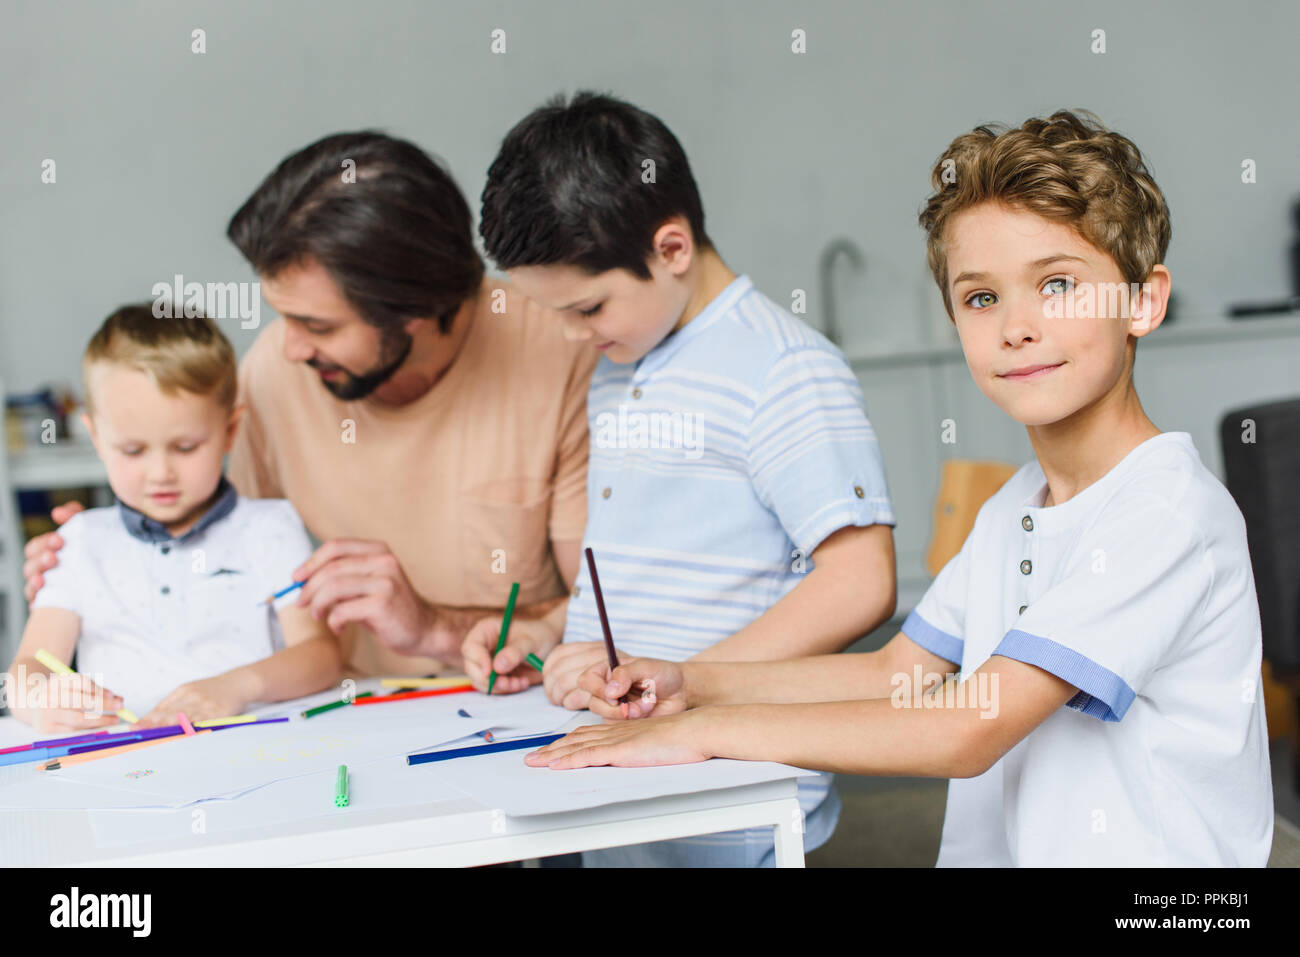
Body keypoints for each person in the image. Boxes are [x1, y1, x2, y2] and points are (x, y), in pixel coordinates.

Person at [531, 110, 1275, 867]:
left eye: (1057, 285)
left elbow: (965, 727)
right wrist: (690, 682)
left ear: (1143, 302)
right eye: (981, 298)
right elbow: (895, 673)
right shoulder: (1012, 510)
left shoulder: (1164, 511)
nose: (1015, 326)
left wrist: (692, 731)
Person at [468, 92, 899, 867]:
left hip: (733, 797)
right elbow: (661, 562)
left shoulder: (782, 368)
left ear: (671, 248)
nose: (572, 334)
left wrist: (692, 682)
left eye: (587, 306)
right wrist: (548, 630)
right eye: (554, 314)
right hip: (629, 779)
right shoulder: (624, 358)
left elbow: (861, 581)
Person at [24, 132, 599, 679]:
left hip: (507, 720)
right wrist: (112, 551)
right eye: (283, 315)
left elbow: (610, 614)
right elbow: (220, 565)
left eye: (316, 325)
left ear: (415, 310)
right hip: (329, 722)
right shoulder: (276, 370)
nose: (291, 345)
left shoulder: (566, 348)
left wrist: (434, 628)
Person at [6, 305, 341, 731]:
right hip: (117, 768)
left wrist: (235, 686)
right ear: (96, 437)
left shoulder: (269, 528)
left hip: (248, 752)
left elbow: (320, 657)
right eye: (133, 450)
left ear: (230, 430)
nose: (160, 473)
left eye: (185, 447)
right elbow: (29, 665)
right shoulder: (80, 541)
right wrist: (40, 700)